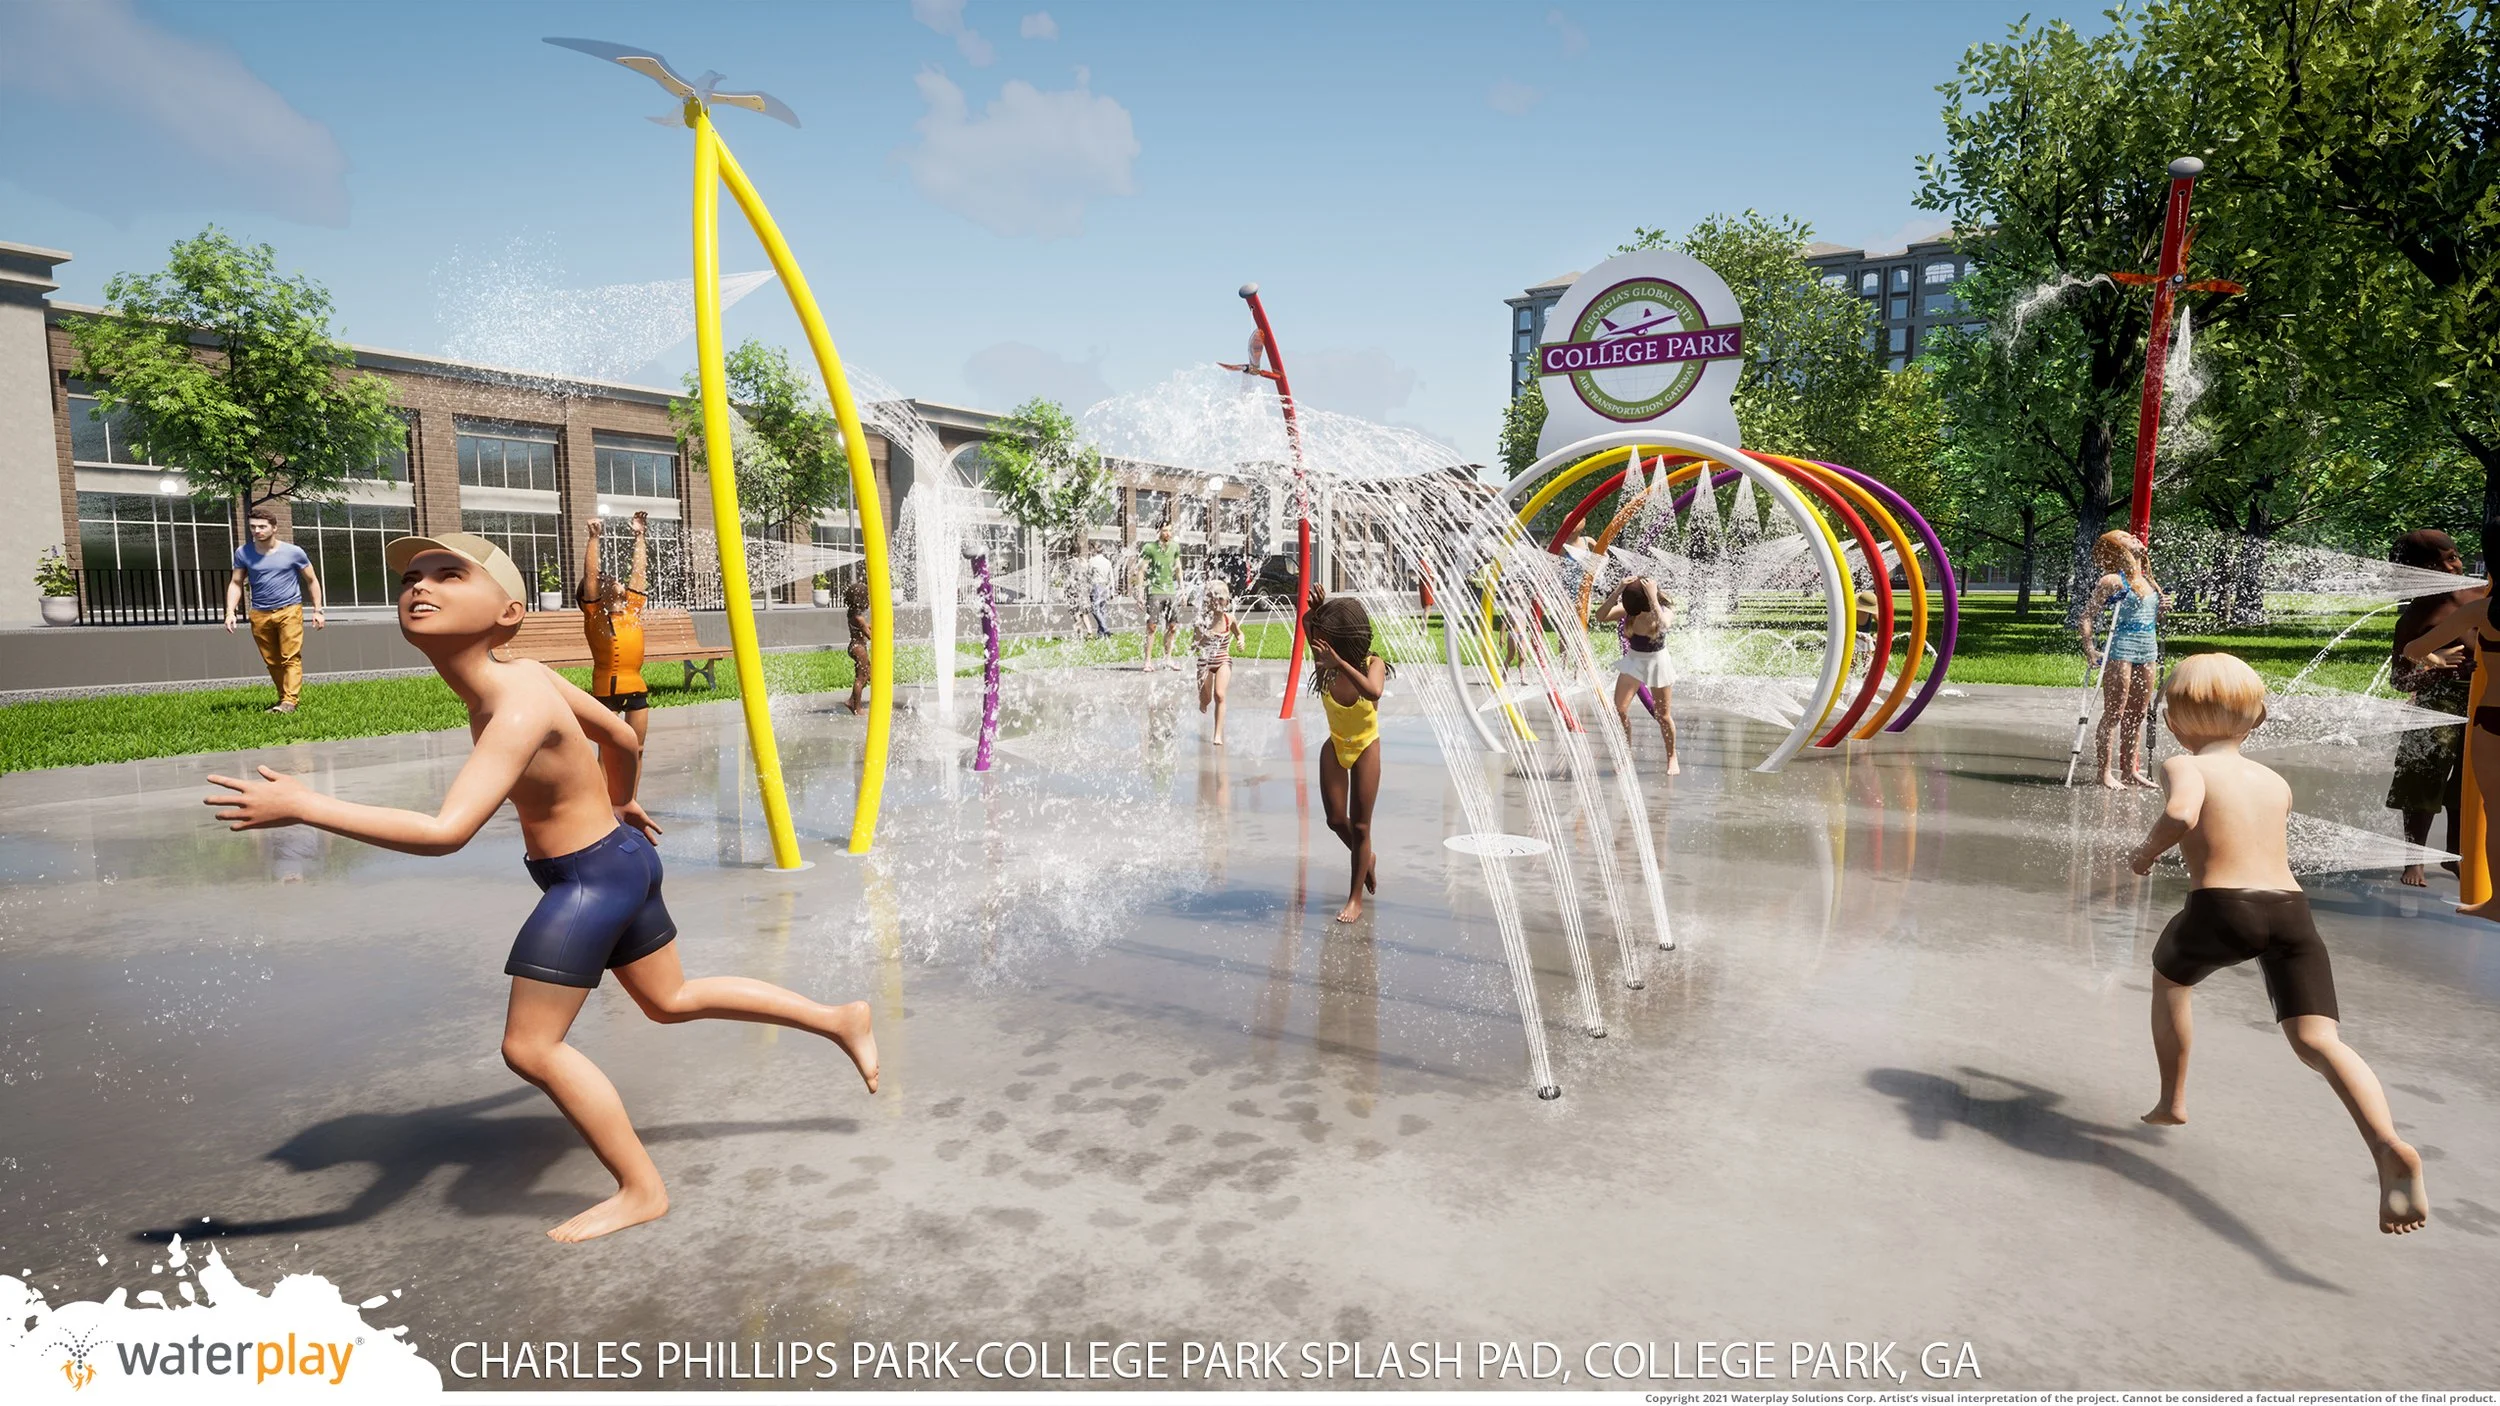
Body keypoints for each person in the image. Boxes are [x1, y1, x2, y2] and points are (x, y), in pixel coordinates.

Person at [203, 531, 877, 1244]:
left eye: (450, 575)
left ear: (509, 612)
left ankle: (642, 1189)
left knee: (530, 1049)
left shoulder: (513, 708)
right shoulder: (525, 675)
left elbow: (445, 831)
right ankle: (839, 1019)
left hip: (589, 879)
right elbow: (621, 739)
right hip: (620, 859)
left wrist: (306, 807)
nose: (421, 587)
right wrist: (620, 802)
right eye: (415, 578)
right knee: (672, 1000)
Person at [2125, 652, 2427, 1235]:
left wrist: (2144, 854)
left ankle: (2173, 1100)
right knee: (2318, 1041)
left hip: (2221, 907)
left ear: (2175, 720)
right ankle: (2388, 1143)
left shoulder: (2184, 765)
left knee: (2170, 982)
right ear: (2257, 719)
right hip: (2291, 914)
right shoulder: (2274, 780)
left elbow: (2182, 815)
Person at [2401, 564, 2500, 920]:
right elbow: (2407, 658)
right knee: (2432, 782)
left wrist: (2436, 657)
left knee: (2486, 803)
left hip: (2488, 716)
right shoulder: (2470, 610)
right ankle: (2419, 858)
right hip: (2464, 713)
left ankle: (2484, 883)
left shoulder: (2481, 607)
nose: (2457, 563)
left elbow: (2414, 649)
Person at [2386, 529, 2479, 886]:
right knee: (2424, 776)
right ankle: (2415, 857)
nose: (2453, 567)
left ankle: (2455, 854)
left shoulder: (2479, 596)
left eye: (2454, 557)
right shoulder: (2416, 617)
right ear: (2416, 569)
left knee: (2468, 781)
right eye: (2438, 563)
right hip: (2435, 703)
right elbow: (2401, 680)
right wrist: (2435, 671)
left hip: (2479, 699)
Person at [1305, 586, 1389, 924]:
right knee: (1336, 821)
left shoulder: (1373, 664)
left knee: (1361, 825)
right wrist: (1317, 610)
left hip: (1366, 745)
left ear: (1343, 641)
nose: (1319, 644)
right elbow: (1306, 625)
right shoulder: (1325, 666)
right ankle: (1366, 858)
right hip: (1336, 745)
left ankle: (1354, 897)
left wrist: (1339, 662)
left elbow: (1374, 690)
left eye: (1326, 638)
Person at [2080, 529, 2165, 789]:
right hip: (2121, 649)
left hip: (2147, 649)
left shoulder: (2150, 581)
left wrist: (2162, 610)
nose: (2135, 538)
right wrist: (2090, 649)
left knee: (2138, 714)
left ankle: (2129, 771)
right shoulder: (2113, 581)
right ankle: (2104, 772)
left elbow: (2154, 620)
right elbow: (2087, 615)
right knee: (2114, 713)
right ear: (2117, 548)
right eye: (2126, 538)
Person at [224, 508, 326, 715]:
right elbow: (236, 583)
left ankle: (289, 701)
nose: (257, 531)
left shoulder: (293, 552)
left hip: (289, 609)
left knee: (290, 657)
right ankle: (284, 698)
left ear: (274, 528)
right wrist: (230, 612)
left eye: (262, 527)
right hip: (259, 613)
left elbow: (312, 580)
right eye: (253, 527)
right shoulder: (243, 553)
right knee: (272, 661)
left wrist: (318, 610)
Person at [579, 513, 651, 744]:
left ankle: (634, 783)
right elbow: (590, 576)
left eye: (611, 578)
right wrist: (593, 538)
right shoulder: (595, 615)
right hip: (606, 692)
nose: (611, 580)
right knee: (609, 753)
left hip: (637, 690)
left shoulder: (632, 611)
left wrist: (639, 536)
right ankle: (603, 783)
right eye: (605, 580)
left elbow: (638, 573)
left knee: (636, 751)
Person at [1600, 575, 1679, 774]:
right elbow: (1600, 616)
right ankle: (1625, 756)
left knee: (1663, 715)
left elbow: (1664, 625)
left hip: (1658, 661)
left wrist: (1653, 598)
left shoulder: (1664, 611)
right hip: (1634, 660)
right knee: (1619, 710)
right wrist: (1618, 591)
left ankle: (1672, 757)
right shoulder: (1629, 611)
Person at [1193, 579, 1245, 746]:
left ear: (1227, 601)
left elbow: (1239, 634)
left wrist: (1241, 641)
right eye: (1214, 599)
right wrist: (1203, 638)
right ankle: (1203, 701)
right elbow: (1193, 647)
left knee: (1220, 695)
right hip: (1205, 663)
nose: (1217, 603)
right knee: (1207, 698)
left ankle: (1218, 734)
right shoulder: (1202, 622)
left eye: (1221, 599)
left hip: (1223, 659)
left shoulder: (1230, 619)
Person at [1139, 525, 1182, 671]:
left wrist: (1182, 589)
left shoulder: (1175, 547)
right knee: (1152, 627)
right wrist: (1140, 593)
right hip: (1154, 591)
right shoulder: (1149, 548)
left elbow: (1178, 569)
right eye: (1165, 530)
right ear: (1158, 532)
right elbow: (1141, 570)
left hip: (1171, 591)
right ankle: (1147, 661)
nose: (1168, 533)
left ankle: (1168, 659)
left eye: (1170, 530)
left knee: (1172, 627)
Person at [844, 576, 872, 716]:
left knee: (867, 674)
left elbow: (864, 627)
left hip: (855, 646)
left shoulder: (852, 613)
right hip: (859, 648)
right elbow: (869, 635)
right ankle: (857, 708)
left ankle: (851, 700)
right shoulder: (859, 618)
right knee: (861, 678)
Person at [1085, 544, 1115, 640]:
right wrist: (1112, 590)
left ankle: (1105, 629)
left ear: (1094, 550)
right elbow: (1111, 577)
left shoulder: (1092, 561)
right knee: (1102, 610)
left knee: (1095, 609)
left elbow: (1088, 574)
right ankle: (1100, 634)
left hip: (1096, 586)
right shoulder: (1107, 561)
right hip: (1105, 586)